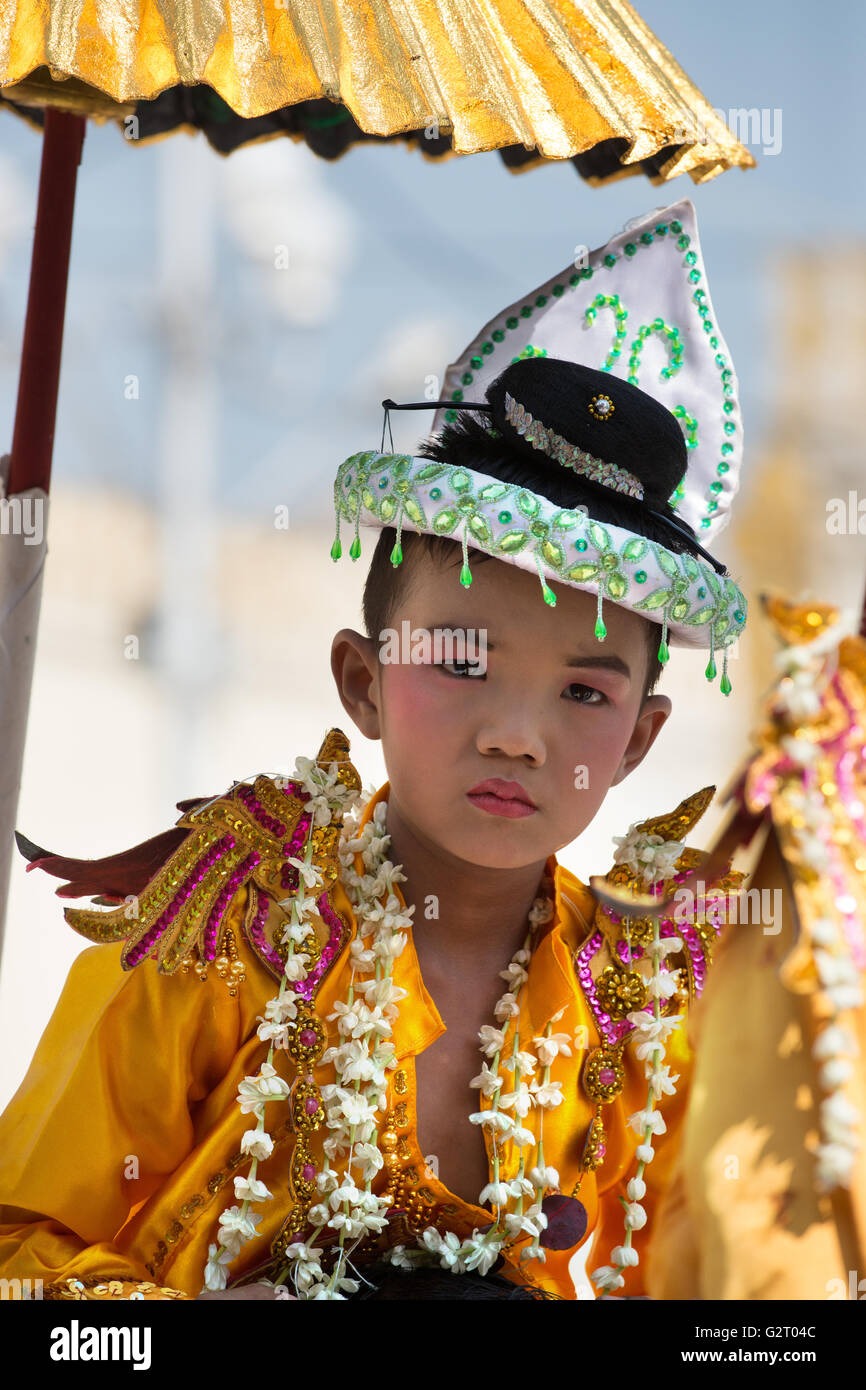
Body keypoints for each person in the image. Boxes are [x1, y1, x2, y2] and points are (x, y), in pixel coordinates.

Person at [0, 197, 748, 1301]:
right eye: (459, 660)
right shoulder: (224, 931)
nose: (514, 733)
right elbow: (22, 1262)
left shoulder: (641, 1004)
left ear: (639, 742)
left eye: (582, 691)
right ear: (361, 679)